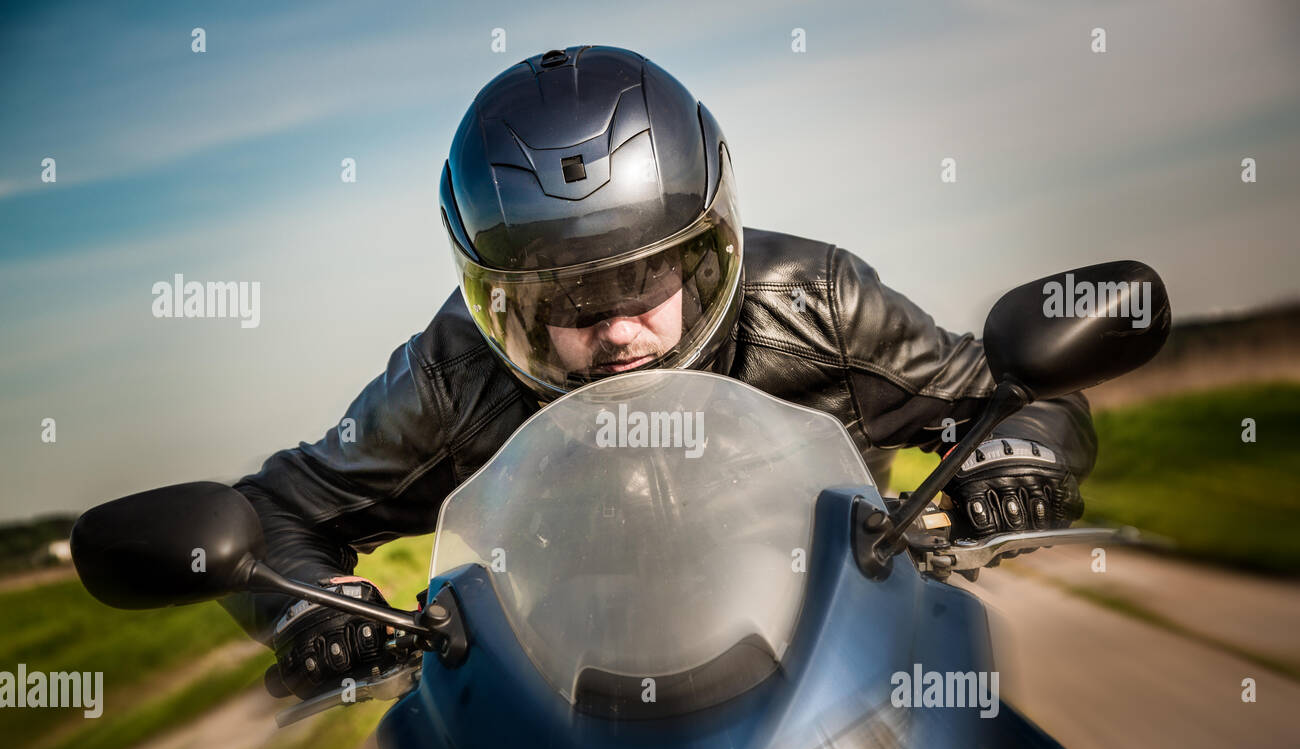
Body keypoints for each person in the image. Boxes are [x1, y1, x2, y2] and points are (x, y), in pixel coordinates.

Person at [221, 45, 1095, 701]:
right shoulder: (457, 374)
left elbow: (1019, 389)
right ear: (502, 304)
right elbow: (273, 511)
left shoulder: (818, 305)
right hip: (569, 716)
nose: (618, 329)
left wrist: (1015, 455)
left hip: (848, 674)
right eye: (567, 300)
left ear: (710, 246)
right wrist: (315, 607)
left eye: (646, 278)